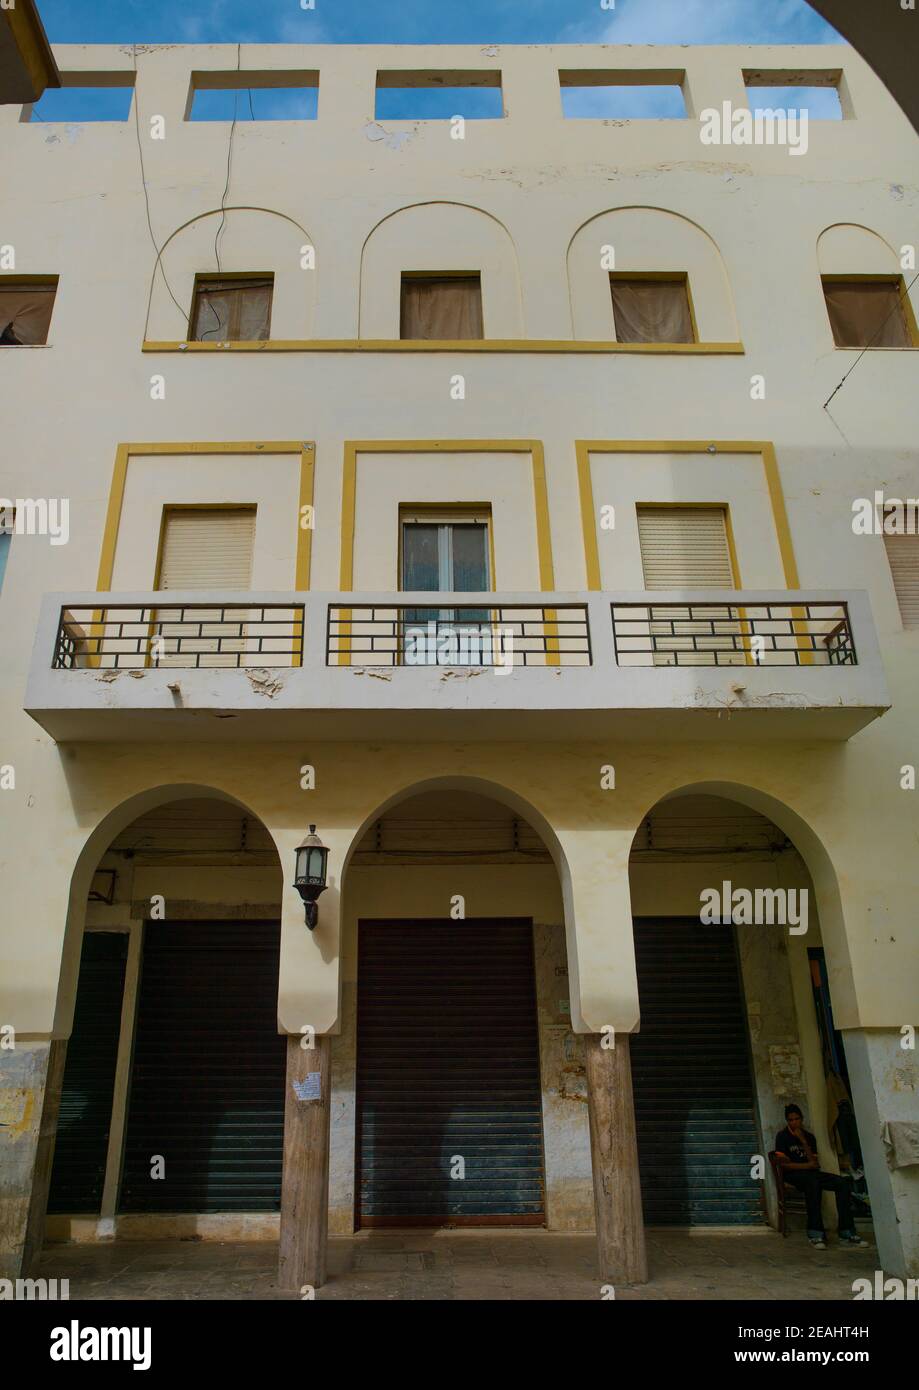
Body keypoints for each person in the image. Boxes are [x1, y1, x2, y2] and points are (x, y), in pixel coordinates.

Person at [775, 1104, 868, 1249]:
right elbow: (784, 1165)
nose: (794, 1123)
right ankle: (815, 1233)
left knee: (842, 1183)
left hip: (812, 1173)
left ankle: (847, 1231)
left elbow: (815, 1163)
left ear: (802, 1119)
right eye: (790, 1120)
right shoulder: (782, 1137)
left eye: (796, 1119)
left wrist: (803, 1141)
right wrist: (806, 1166)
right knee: (813, 1183)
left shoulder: (809, 1137)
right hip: (794, 1175)